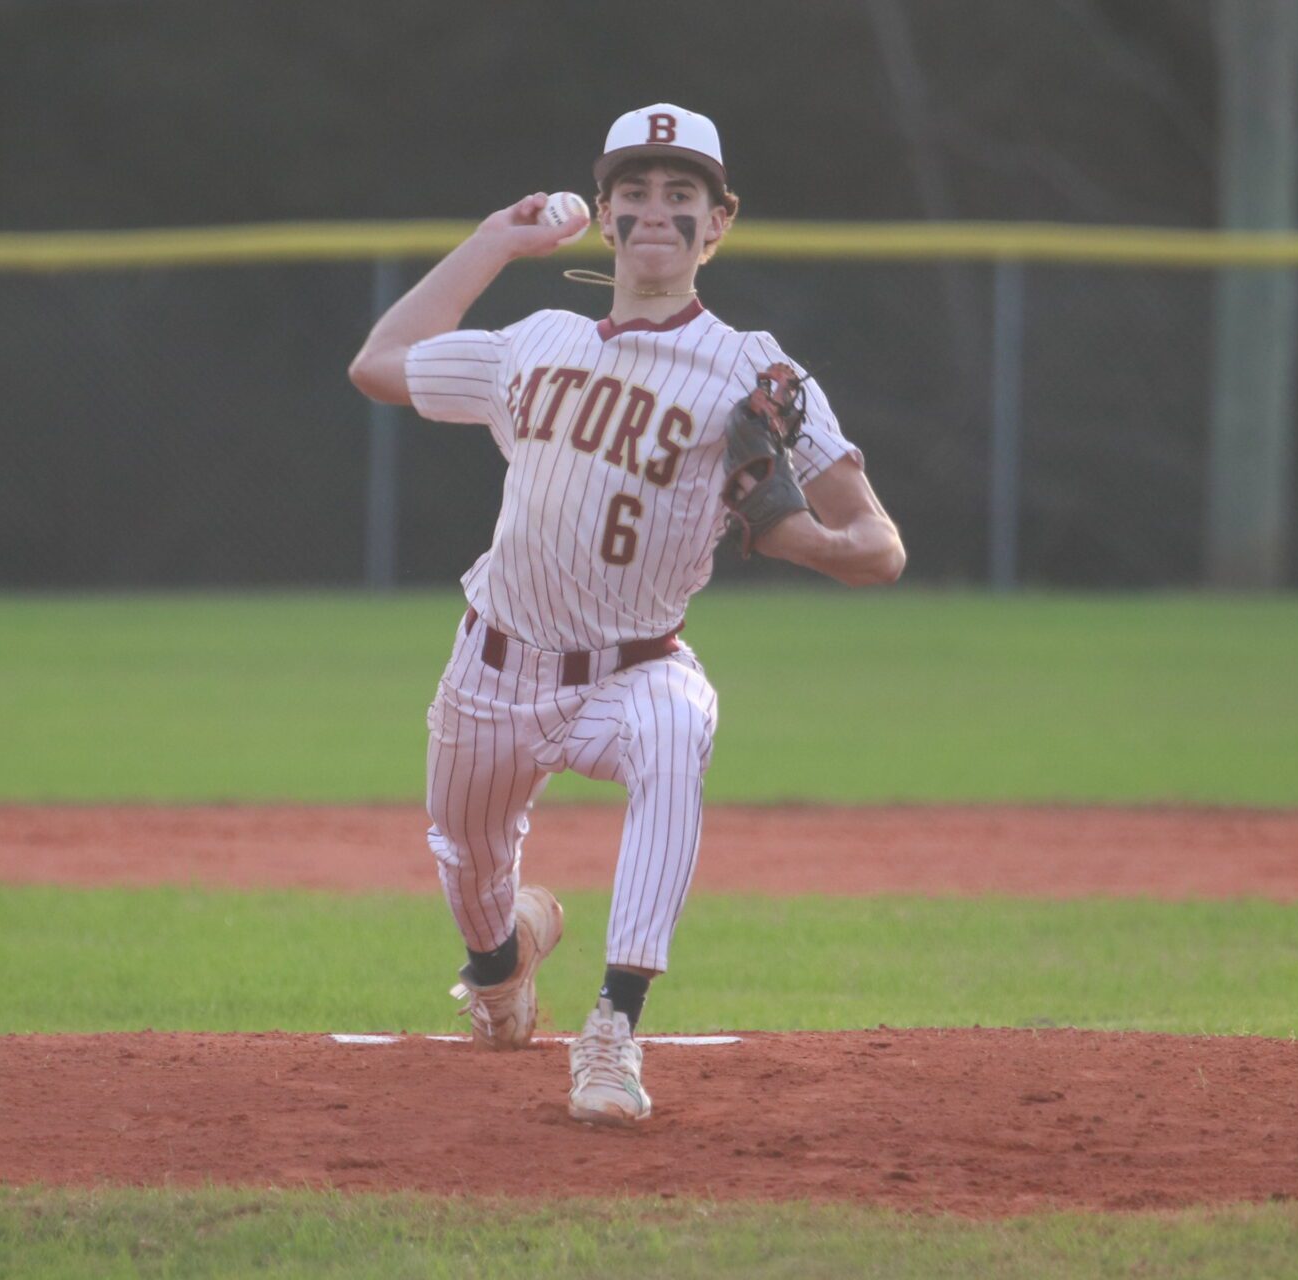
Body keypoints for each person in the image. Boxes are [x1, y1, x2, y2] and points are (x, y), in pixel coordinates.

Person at [346, 103, 906, 1127]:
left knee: (676, 728)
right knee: (474, 890)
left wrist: (795, 537)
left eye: (680, 194)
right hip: (491, 669)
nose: (657, 211)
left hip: (629, 669)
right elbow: (378, 365)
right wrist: (493, 239)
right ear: (603, 215)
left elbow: (878, 547)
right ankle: (505, 962)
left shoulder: (752, 367)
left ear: (718, 221)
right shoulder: (536, 340)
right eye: (635, 193)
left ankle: (614, 1023)